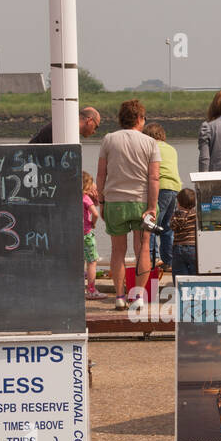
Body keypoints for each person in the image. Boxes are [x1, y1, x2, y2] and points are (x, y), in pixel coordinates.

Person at [95, 99, 160, 310]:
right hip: (141, 202)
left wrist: (102, 201)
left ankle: (120, 297)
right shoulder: (150, 143)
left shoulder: (109, 139)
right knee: (142, 250)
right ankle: (139, 297)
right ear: (140, 118)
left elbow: (101, 174)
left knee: (117, 251)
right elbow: (154, 178)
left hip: (115, 202)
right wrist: (152, 206)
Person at [142, 122, 181, 272]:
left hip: (160, 187)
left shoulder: (151, 147)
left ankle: (153, 260)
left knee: (151, 225)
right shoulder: (171, 148)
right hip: (175, 189)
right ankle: (169, 261)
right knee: (167, 228)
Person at [81, 171, 106, 299]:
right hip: (87, 234)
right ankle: (91, 290)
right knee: (92, 262)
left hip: (75, 234)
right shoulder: (85, 198)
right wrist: (93, 223)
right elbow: (95, 214)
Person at [29, 106, 101, 144]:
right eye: (96, 127)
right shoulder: (64, 130)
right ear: (90, 121)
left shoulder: (66, 126)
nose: (94, 131)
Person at [171, 188, 198, 276]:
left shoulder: (176, 215)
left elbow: (172, 226)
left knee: (179, 274)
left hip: (178, 248)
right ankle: (194, 288)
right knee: (195, 273)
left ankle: (180, 289)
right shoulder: (196, 214)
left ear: (178, 203)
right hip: (193, 248)